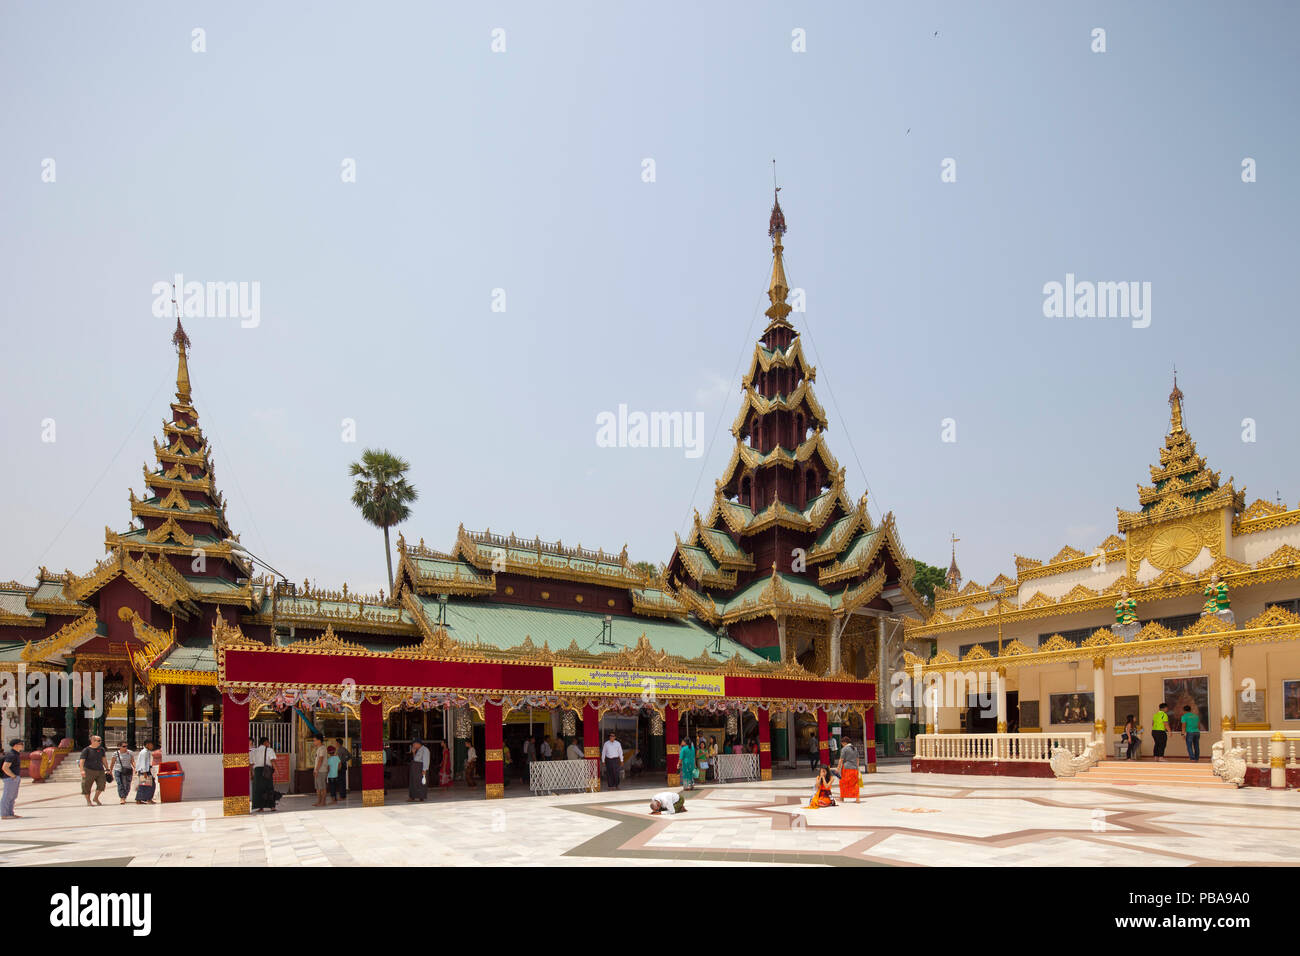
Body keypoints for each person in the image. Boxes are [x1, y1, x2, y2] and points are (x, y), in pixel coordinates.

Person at [79, 735, 107, 807]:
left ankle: (95, 798)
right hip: (89, 770)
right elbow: (81, 761)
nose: (99, 742)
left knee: (102, 785)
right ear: (92, 741)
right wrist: (82, 770)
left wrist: (107, 768)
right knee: (86, 786)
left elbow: (104, 759)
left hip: (100, 770)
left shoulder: (101, 749)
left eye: (100, 740)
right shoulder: (86, 750)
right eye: (98, 741)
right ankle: (88, 801)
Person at [251, 736, 277, 812]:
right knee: (269, 788)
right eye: (268, 742)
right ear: (265, 742)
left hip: (257, 771)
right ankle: (272, 806)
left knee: (259, 789)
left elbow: (251, 764)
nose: (269, 744)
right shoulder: (269, 750)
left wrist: (251, 773)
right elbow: (272, 760)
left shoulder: (254, 751)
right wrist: (276, 770)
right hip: (267, 770)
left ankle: (260, 807)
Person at [1, 738, 22, 819]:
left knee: (12, 796)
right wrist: (13, 776)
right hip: (10, 778)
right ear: (16, 745)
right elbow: (5, 767)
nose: (22, 745)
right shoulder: (11, 755)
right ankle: (5, 814)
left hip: (13, 778)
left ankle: (10, 813)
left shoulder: (16, 754)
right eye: (21, 744)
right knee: (7, 796)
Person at [837, 737, 860, 803]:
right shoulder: (855, 749)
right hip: (855, 768)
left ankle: (842, 798)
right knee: (855, 783)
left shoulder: (844, 749)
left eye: (842, 743)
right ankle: (857, 798)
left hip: (846, 768)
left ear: (844, 742)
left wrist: (838, 769)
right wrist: (857, 768)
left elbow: (841, 760)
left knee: (843, 783)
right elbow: (857, 760)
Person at [311, 733, 329, 807]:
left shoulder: (322, 748)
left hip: (321, 771)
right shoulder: (318, 749)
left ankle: (323, 802)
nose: (314, 742)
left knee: (322, 787)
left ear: (319, 740)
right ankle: (319, 801)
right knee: (318, 788)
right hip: (318, 770)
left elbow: (320, 760)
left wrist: (316, 770)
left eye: (315, 740)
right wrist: (315, 770)